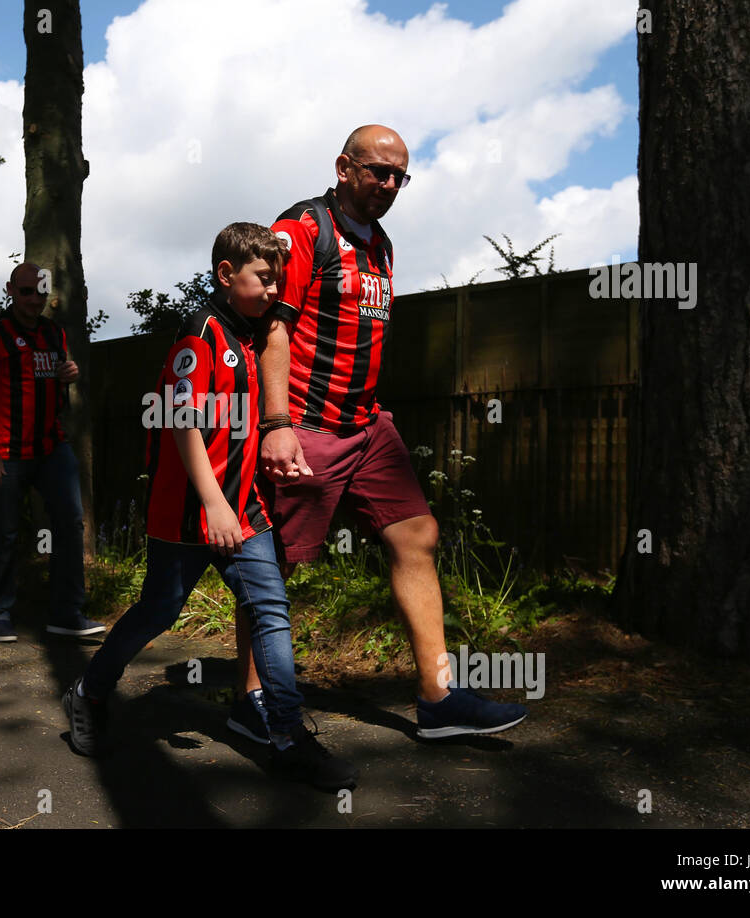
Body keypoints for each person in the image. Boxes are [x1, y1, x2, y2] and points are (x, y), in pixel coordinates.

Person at [231, 124, 528, 740]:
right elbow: (272, 331)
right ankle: (252, 700)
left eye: (400, 176)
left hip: (367, 424)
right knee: (274, 563)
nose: (389, 185)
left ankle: (438, 696)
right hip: (306, 425)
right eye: (377, 172)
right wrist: (277, 424)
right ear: (344, 168)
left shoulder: (382, 245)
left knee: (417, 533)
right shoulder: (301, 231)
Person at [63, 223, 357, 790]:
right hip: (189, 514)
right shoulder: (199, 336)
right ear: (226, 275)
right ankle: (89, 692)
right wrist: (213, 504)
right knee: (157, 612)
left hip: (244, 512)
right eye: (263, 279)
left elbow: (238, 428)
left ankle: (289, 737)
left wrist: (268, 469)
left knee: (270, 610)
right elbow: (182, 423)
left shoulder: (250, 337)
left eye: (277, 280)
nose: (274, 290)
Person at [0, 262, 102, 642]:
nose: (33, 299)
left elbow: (53, 380)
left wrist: (67, 374)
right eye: (25, 291)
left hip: (50, 446)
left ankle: (67, 612)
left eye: (40, 292)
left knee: (70, 523)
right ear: (10, 290)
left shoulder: (54, 332)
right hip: (5, 450)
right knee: (5, 531)